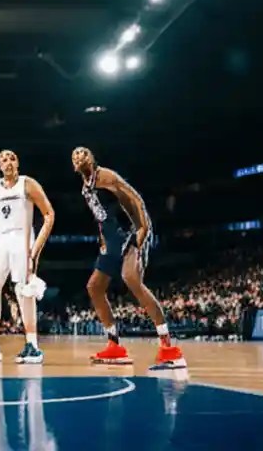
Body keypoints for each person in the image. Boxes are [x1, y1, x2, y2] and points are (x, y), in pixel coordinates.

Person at [72, 147, 185, 370]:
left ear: (92, 158)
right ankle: (114, 346)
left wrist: (143, 229)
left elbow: (134, 198)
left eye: (83, 153)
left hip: (130, 230)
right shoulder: (85, 187)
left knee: (131, 278)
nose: (78, 157)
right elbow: (100, 217)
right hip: (111, 237)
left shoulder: (106, 176)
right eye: (74, 156)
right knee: (94, 287)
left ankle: (169, 348)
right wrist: (102, 239)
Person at [0, 149, 55, 364]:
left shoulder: (28, 184)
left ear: (17, 163)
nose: (8, 161)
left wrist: (36, 247)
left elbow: (49, 214)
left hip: (22, 237)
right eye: (3, 159)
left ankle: (32, 345)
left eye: (11, 158)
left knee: (22, 290)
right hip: (0, 239)